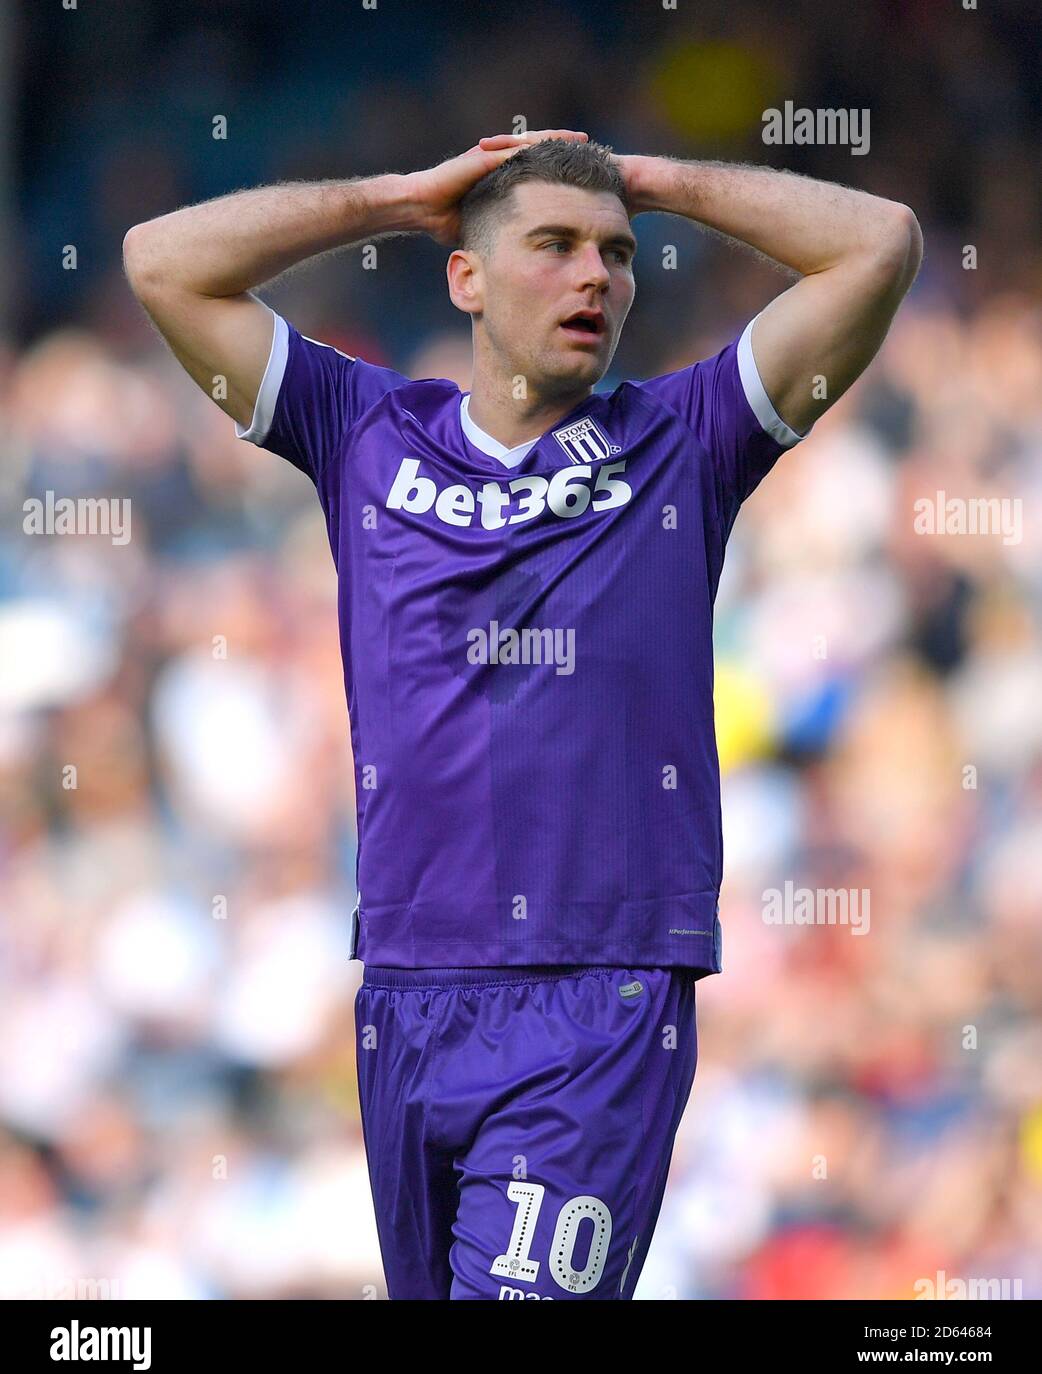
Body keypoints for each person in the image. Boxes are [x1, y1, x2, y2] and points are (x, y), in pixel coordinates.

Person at [122, 129, 922, 1300]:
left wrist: (647, 181)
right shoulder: (362, 431)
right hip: (406, 984)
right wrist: (396, 196)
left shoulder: (684, 443)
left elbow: (878, 246)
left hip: (598, 996)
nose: (595, 274)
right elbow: (161, 263)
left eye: (616, 253)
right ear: (467, 278)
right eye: (551, 246)